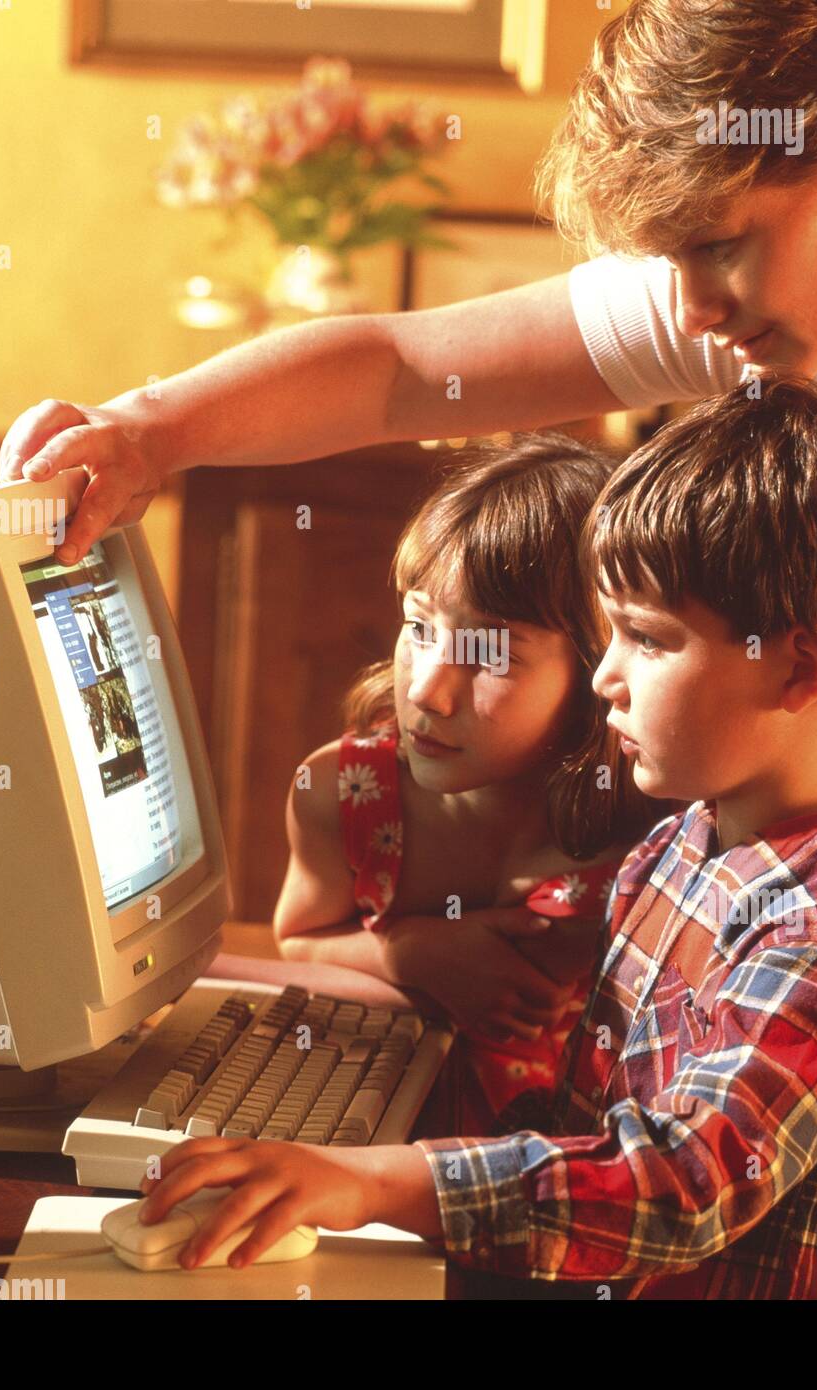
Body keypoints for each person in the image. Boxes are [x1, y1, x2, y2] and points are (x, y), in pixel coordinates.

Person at [0, 0, 817, 1295]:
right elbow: (407, 365)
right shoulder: (760, 279)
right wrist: (143, 433)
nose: (690, 310)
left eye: (717, 249)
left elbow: (689, 1171)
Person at [132, 377, 817, 1297]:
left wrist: (371, 1180)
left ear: (801, 668)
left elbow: (685, 1186)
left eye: (646, 641)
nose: (604, 678)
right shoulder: (695, 836)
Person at [269, 432, 656, 1134]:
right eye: (419, 627)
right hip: (370, 1129)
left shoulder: (656, 824)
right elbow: (299, 941)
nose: (427, 690)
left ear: (600, 667)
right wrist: (414, 951)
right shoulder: (344, 795)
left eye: (492, 653)